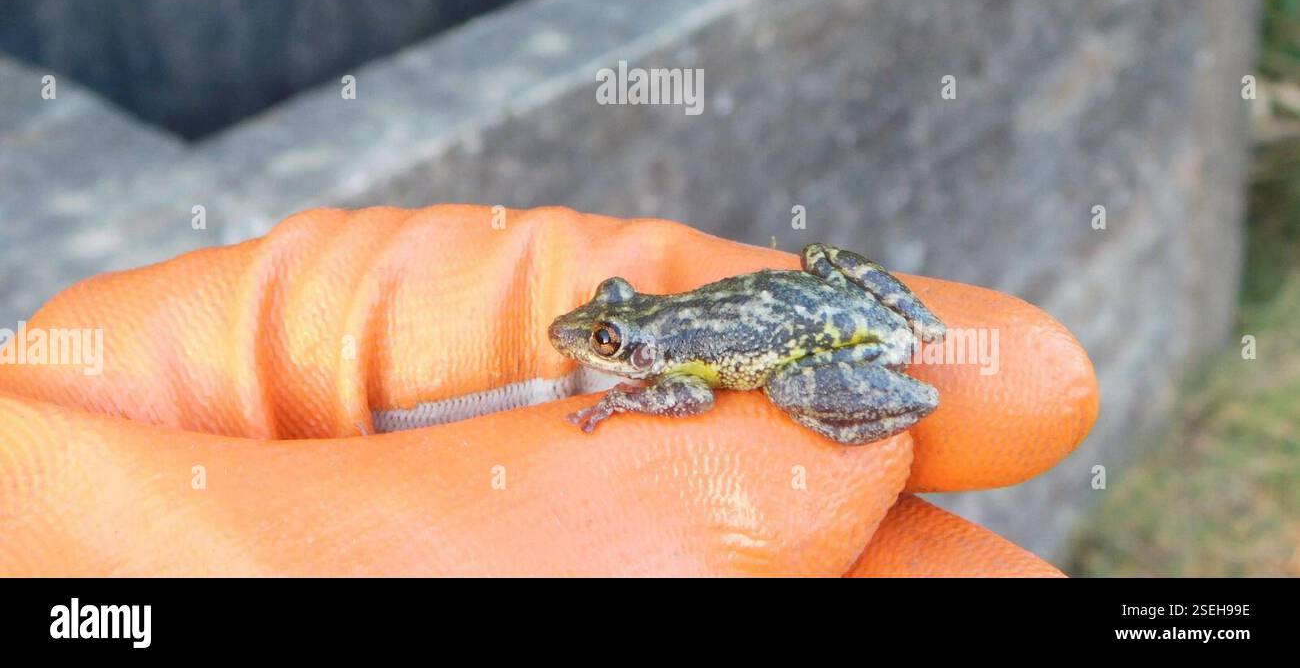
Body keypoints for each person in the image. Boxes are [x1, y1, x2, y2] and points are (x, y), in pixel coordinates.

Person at [0, 205, 1097, 576]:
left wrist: (625, 398)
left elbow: (688, 402)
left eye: (607, 335)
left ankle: (881, 394)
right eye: (610, 325)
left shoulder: (671, 363)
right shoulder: (663, 336)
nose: (591, 340)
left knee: (799, 408)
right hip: (840, 307)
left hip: (820, 348)